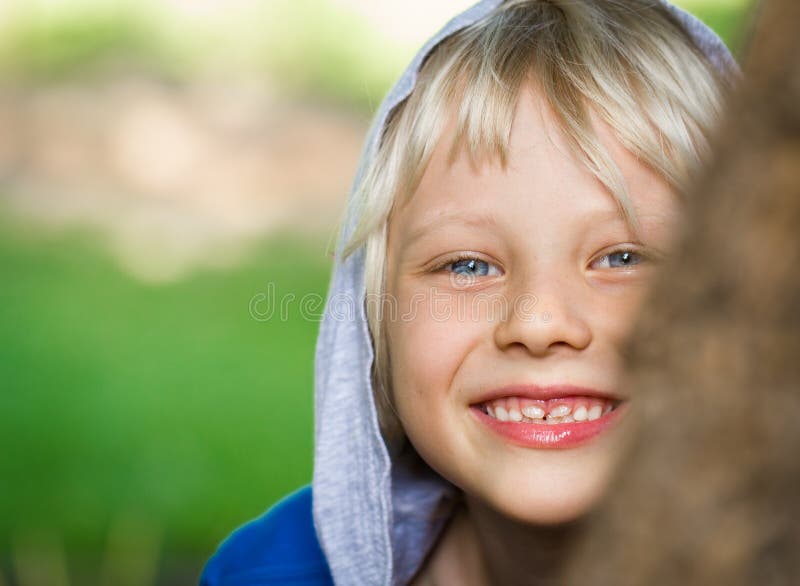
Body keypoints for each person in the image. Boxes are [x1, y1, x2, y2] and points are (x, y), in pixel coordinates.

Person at [200, 1, 738, 584]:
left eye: (623, 258)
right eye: (469, 266)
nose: (538, 324)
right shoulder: (265, 571)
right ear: (372, 323)